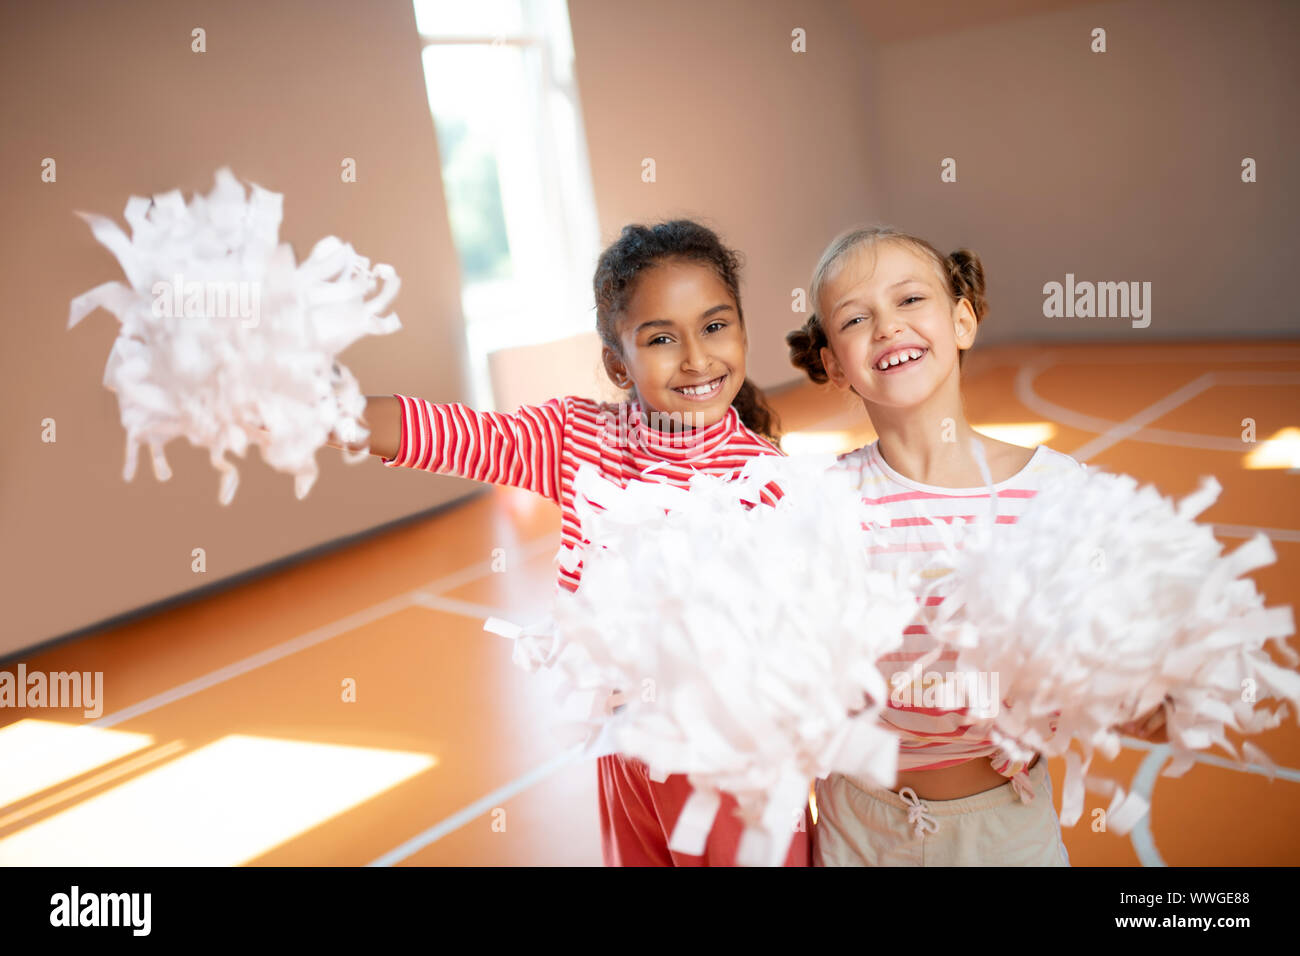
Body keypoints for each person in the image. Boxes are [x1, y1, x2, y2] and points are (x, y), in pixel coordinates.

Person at [334, 219, 810, 866]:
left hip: (733, 767)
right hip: (625, 756)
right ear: (619, 362)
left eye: (715, 326)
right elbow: (452, 432)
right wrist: (314, 408)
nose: (697, 357)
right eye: (661, 338)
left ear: (744, 331)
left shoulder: (773, 481)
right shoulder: (580, 441)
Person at [786, 224, 1167, 866]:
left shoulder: (1056, 491)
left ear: (961, 320)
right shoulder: (820, 500)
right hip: (860, 828)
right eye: (856, 318)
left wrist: (1139, 700)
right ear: (832, 363)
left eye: (910, 300)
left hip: (1005, 828)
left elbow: (1110, 668)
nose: (887, 327)